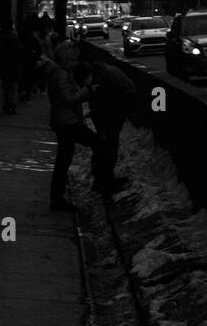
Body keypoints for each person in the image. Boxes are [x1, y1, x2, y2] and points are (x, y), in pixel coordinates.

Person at [41, 41, 103, 211]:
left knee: (64, 159)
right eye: (74, 58)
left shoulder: (57, 72)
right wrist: (88, 91)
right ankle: (100, 181)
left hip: (63, 120)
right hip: (67, 121)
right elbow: (68, 99)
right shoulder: (61, 74)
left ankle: (57, 197)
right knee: (98, 144)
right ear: (67, 57)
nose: (76, 61)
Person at [83, 59, 138, 194]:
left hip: (113, 114)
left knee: (109, 145)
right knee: (105, 145)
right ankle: (103, 179)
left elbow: (130, 90)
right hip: (104, 115)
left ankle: (105, 180)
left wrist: (126, 109)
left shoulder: (110, 74)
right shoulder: (102, 75)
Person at [0, 25, 24, 114]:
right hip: (15, 71)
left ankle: (7, 104)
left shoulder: (4, 46)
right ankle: (12, 105)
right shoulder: (20, 46)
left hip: (5, 70)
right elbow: (23, 58)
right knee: (14, 88)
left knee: (6, 88)